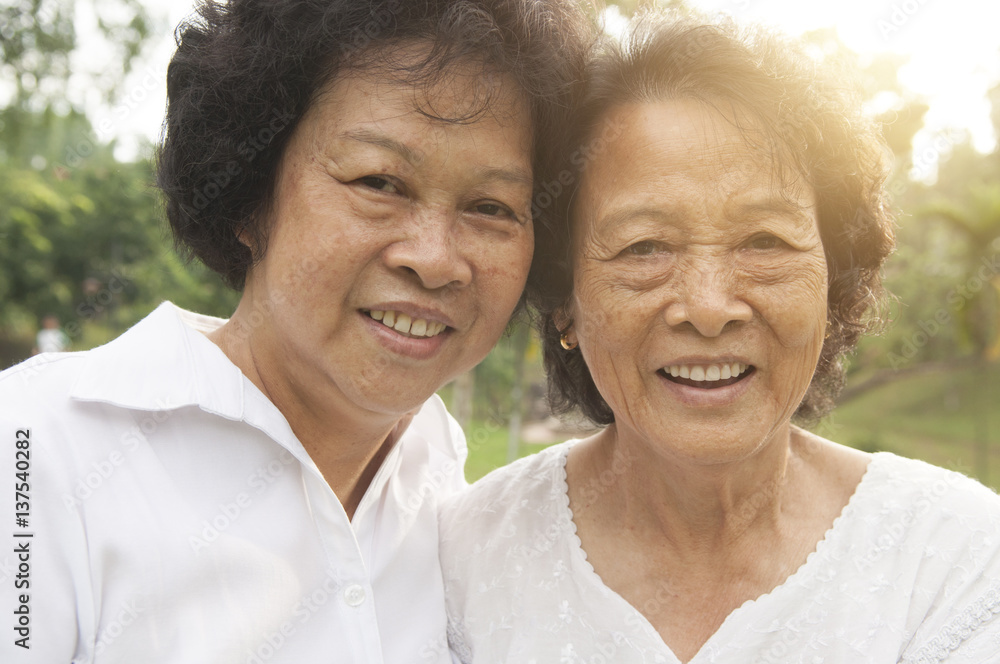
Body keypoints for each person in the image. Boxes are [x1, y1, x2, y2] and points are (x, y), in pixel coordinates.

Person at [0, 0, 590, 661]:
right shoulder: (35, 450)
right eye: (379, 181)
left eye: (491, 207)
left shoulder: (443, 472)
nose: (434, 259)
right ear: (250, 197)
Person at [440, 12, 1000, 664]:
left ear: (833, 279)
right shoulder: (461, 563)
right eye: (644, 247)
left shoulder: (953, 561)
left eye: (765, 241)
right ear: (565, 299)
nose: (708, 309)